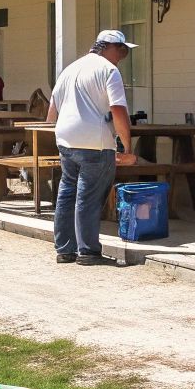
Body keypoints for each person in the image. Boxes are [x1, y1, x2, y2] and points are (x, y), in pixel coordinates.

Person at [45, 31, 140, 266]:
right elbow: (118, 110)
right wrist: (127, 147)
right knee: (88, 195)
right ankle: (88, 251)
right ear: (109, 47)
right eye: (122, 50)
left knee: (67, 193)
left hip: (66, 139)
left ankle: (65, 249)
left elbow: (51, 111)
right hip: (95, 142)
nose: (122, 57)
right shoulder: (108, 70)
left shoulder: (69, 69)